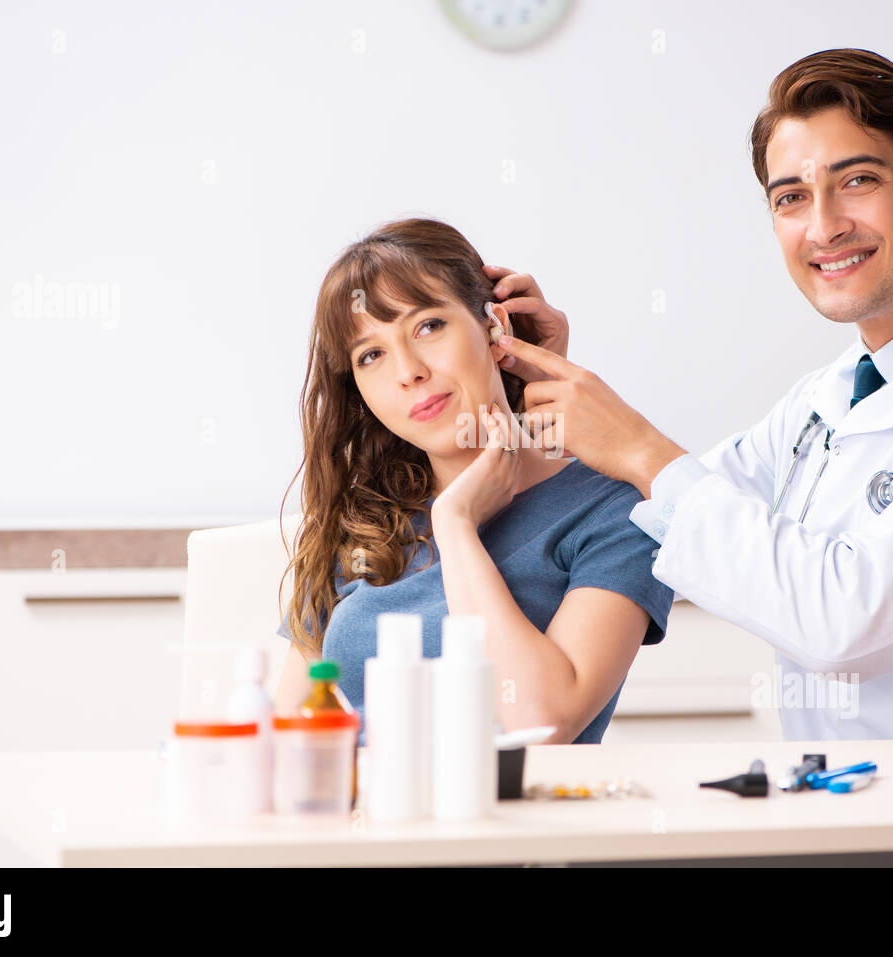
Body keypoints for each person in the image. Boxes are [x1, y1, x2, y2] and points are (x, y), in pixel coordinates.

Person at [483, 49, 893, 740]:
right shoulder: (819, 404)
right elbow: (638, 520)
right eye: (791, 197)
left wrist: (638, 444)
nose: (824, 226)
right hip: (849, 813)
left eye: (856, 180)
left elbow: (845, 622)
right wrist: (527, 389)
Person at [272, 218, 674, 744]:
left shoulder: (618, 513)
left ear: (494, 328)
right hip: (349, 814)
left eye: (428, 326)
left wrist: (456, 525)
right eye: (371, 354)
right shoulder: (360, 521)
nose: (407, 371)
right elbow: (285, 735)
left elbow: (538, 723)